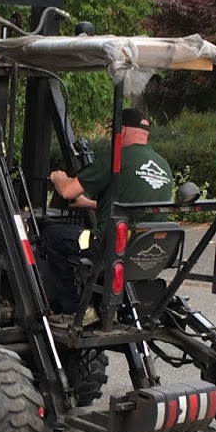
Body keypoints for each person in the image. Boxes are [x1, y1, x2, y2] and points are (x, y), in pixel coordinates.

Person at [41, 108, 173, 312]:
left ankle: (72, 309)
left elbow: (67, 191)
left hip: (104, 245)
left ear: (122, 130)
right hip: (141, 249)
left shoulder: (118, 158)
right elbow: (133, 203)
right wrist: (92, 204)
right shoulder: (163, 166)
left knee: (52, 235)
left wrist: (58, 177)